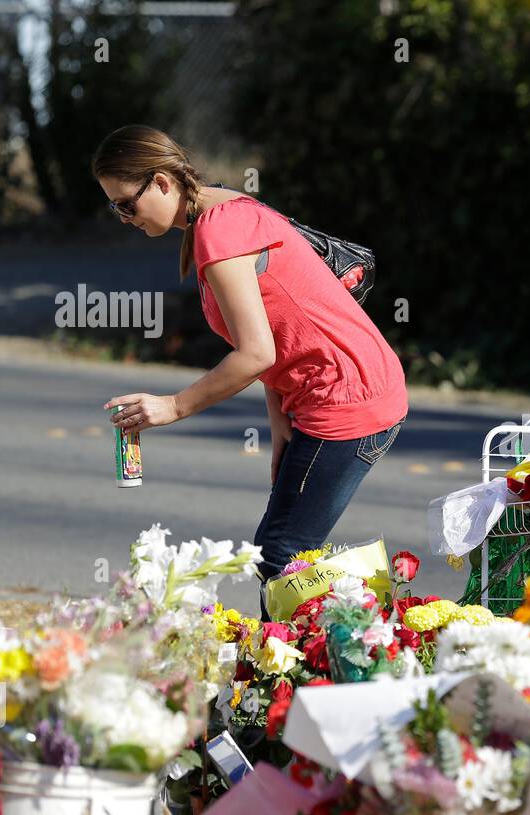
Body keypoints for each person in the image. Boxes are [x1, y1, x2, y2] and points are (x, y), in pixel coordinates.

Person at [91, 125, 408, 619]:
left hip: (348, 398)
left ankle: (356, 650)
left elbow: (255, 352)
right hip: (333, 393)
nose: (123, 218)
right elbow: (275, 333)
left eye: (125, 204)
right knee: (287, 557)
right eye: (114, 207)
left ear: (160, 182)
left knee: (282, 557)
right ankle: (327, 661)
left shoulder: (217, 232)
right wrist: (282, 419)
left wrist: (173, 406)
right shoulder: (224, 209)